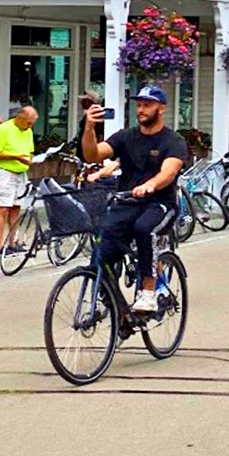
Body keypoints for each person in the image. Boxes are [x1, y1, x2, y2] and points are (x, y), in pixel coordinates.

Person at [82, 85, 187, 312]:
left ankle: (149, 292)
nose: (141, 110)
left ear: (161, 109)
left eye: (147, 105)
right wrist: (89, 128)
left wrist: (150, 185)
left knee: (143, 229)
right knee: (101, 255)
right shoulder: (125, 137)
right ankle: (119, 316)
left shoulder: (173, 141)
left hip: (159, 203)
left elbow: (169, 172)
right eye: (139, 105)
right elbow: (93, 154)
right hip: (127, 202)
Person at [0, 106, 38, 255]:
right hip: (4, 172)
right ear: (19, 118)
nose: (30, 126)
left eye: (32, 124)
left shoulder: (27, 131)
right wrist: (15, 157)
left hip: (20, 172)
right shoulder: (4, 129)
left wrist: (31, 159)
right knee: (3, 207)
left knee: (16, 207)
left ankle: (12, 242)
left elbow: (30, 151)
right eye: (28, 123)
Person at [74, 90, 103, 162]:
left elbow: (100, 135)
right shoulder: (87, 116)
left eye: (85, 100)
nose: (82, 102)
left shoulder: (96, 116)